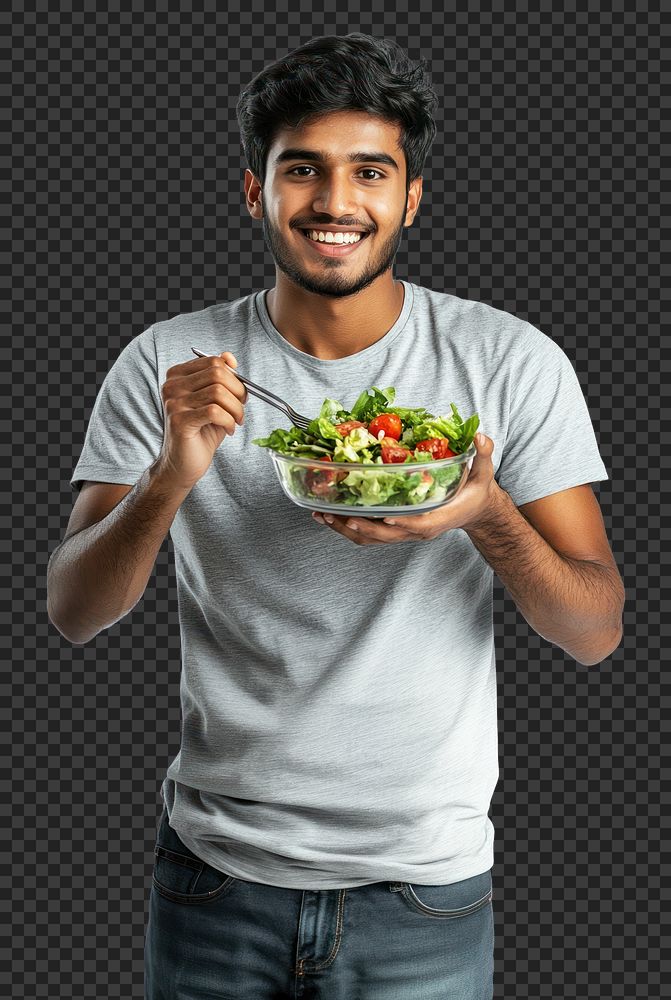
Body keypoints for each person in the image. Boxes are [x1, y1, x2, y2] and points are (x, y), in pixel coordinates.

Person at [47, 32, 625, 1000]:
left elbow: (594, 629)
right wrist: (172, 471)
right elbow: (73, 610)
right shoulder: (169, 360)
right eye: (301, 170)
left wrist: (482, 512)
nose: (334, 202)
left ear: (410, 197)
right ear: (253, 191)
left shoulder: (507, 359)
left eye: (369, 171)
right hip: (214, 874)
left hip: (425, 886)